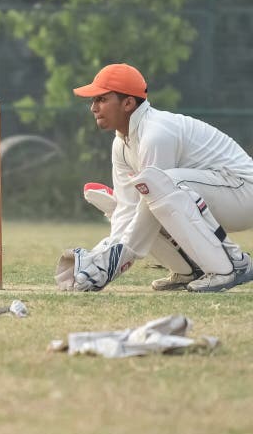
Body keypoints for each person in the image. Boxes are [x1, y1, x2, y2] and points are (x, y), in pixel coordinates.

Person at [55, 63, 253, 293]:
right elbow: (127, 209)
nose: (93, 108)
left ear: (128, 103)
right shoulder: (121, 143)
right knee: (126, 202)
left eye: (101, 99)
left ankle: (232, 265)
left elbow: (151, 201)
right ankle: (188, 269)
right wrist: (108, 251)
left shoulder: (156, 133)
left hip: (243, 192)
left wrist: (111, 263)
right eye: (93, 101)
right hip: (211, 197)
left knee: (159, 186)